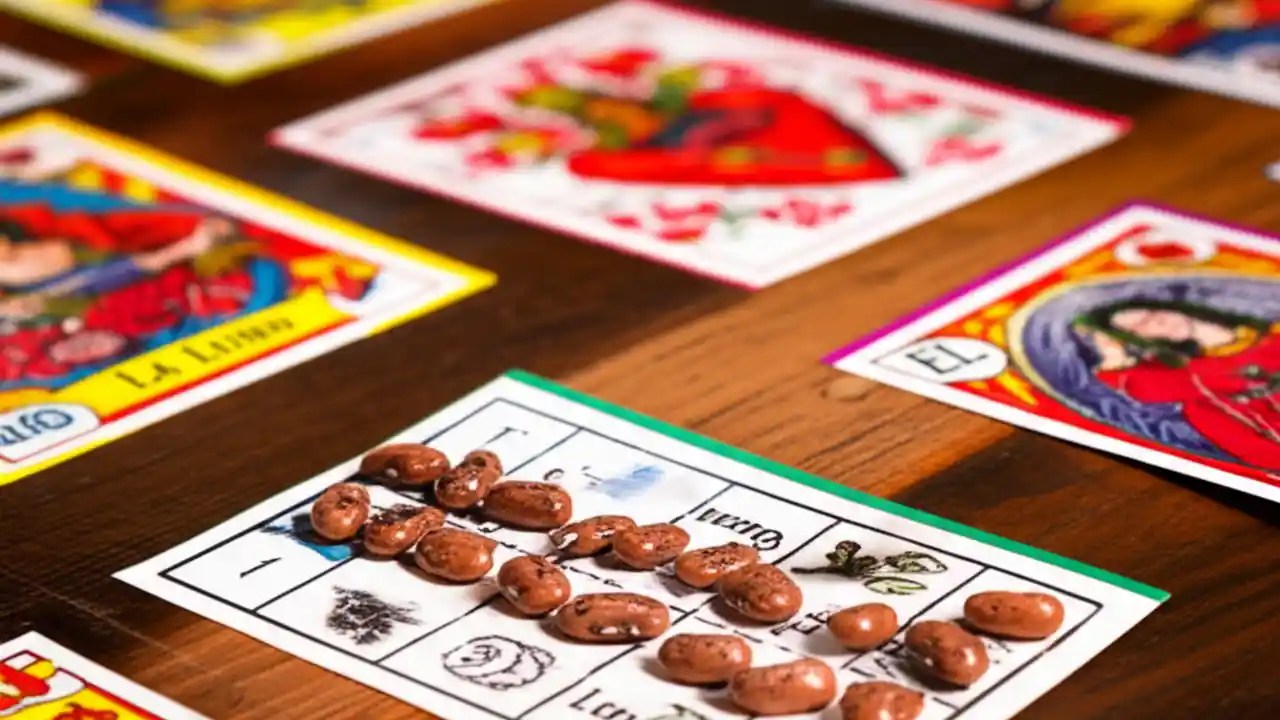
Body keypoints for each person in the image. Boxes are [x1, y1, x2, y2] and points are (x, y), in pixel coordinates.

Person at [1074, 299, 1280, 470]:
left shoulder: (1274, 335)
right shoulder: (1191, 378)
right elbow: (1137, 386)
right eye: (1138, 327)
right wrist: (1111, 351)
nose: (1157, 322)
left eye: (1150, 313)